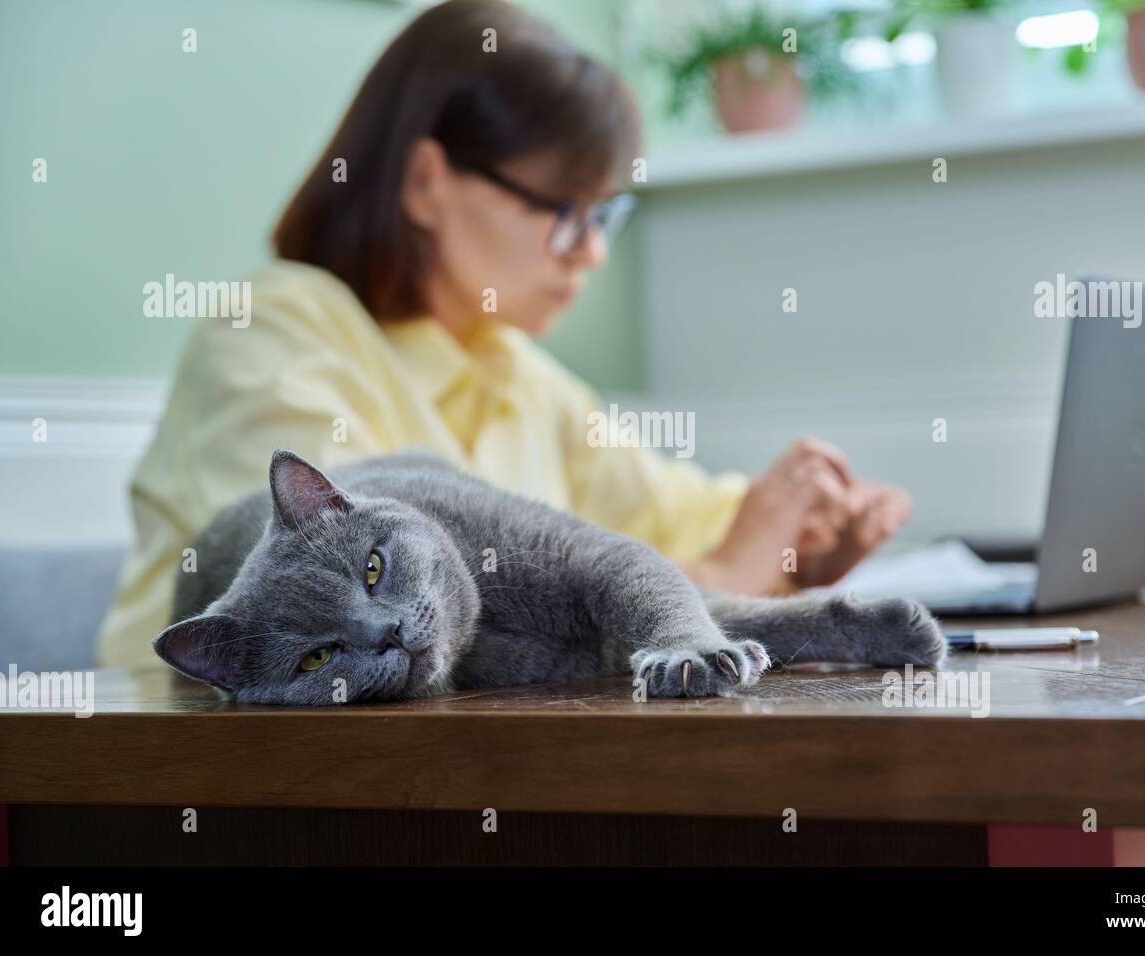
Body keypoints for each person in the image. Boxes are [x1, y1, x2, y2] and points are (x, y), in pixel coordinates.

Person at [95, 0, 910, 669]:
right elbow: (359, 632)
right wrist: (728, 576)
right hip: (177, 777)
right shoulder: (276, 330)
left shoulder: (513, 369)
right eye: (562, 211)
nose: (591, 251)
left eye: (604, 216)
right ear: (425, 181)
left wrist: (805, 534)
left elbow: (684, 513)